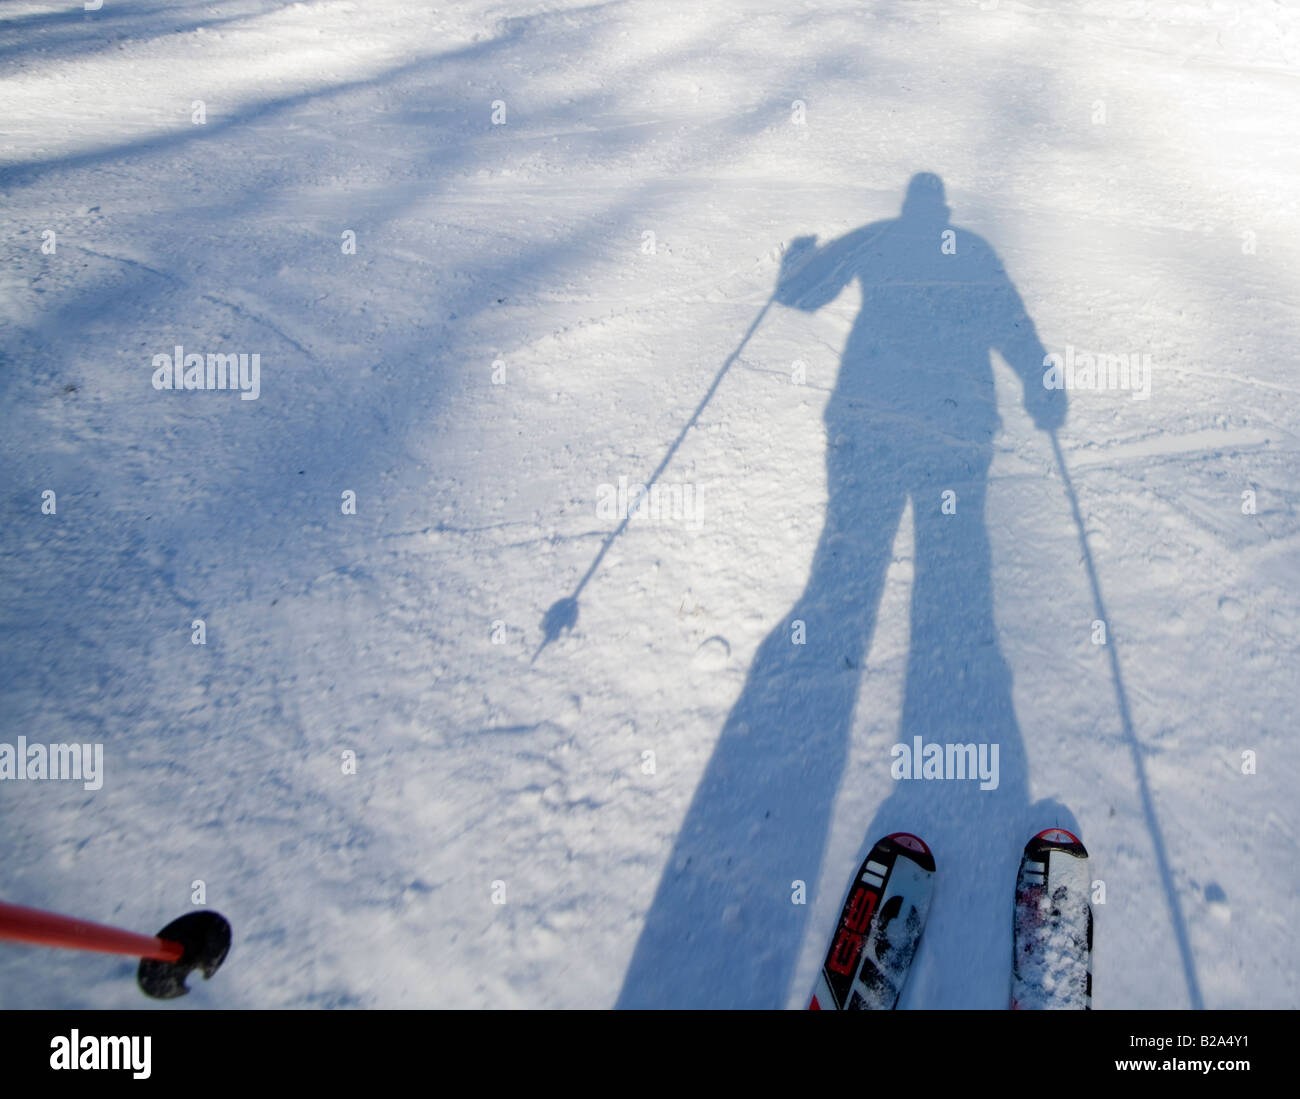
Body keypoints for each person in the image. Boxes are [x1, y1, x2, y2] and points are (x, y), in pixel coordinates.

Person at [617, 174, 1065, 1008]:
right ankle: (915, 679)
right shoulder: (968, 250)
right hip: (947, 425)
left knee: (860, 567)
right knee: (937, 572)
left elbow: (803, 294)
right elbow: (1009, 320)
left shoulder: (878, 236)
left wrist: (796, 263)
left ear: (913, 206)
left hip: (875, 420)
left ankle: (853, 670)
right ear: (944, 210)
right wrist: (1039, 382)